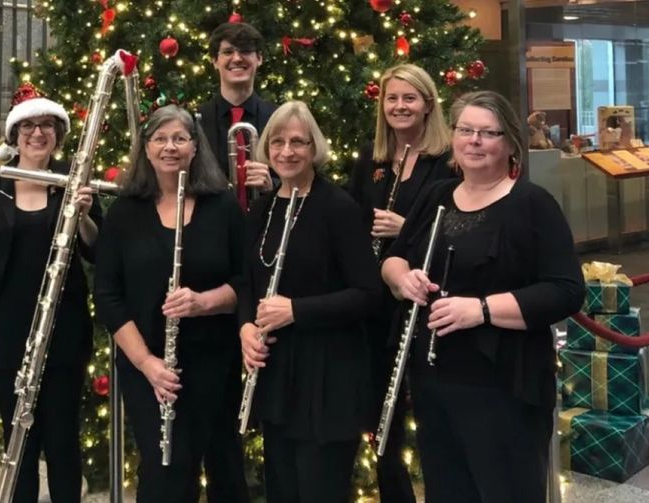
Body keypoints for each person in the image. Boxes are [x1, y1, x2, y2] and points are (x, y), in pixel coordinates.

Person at [381, 90, 584, 503]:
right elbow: (393, 257)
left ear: (509, 143)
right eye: (465, 130)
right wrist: (403, 280)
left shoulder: (531, 203)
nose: (473, 140)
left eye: (487, 133)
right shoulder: (435, 195)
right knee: (447, 490)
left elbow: (565, 291)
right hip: (434, 382)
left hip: (503, 386)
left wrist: (482, 310)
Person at [94, 105, 249, 503]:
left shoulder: (223, 206)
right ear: (146, 150)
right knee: (165, 473)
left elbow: (246, 282)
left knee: (225, 466)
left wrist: (204, 302)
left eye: (180, 138)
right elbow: (108, 295)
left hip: (214, 363)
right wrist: (147, 364)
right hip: (147, 366)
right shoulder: (125, 213)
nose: (170, 147)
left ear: (196, 148)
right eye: (160, 139)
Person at [0, 84, 100, 502]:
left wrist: (87, 215)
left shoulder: (73, 181)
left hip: (63, 331)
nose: (37, 133)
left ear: (58, 134)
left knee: (62, 442)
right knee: (18, 441)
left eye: (46, 126)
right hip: (6, 331)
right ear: (14, 134)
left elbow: (98, 251)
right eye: (28, 126)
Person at [239, 101, 379, 503]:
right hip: (279, 374)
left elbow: (368, 294)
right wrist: (246, 326)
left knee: (320, 489)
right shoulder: (265, 208)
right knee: (282, 489)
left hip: (328, 376)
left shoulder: (338, 208)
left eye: (298, 142)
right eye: (278, 142)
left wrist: (297, 310)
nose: (287, 152)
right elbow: (247, 280)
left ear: (314, 148)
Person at [346, 63, 454, 503]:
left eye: (409, 98)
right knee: (379, 413)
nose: (399, 106)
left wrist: (404, 227)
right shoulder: (370, 161)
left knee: (431, 409)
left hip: (424, 300)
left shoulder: (446, 162)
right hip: (374, 303)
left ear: (428, 104)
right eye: (391, 98)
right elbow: (350, 220)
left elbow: (460, 227)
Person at [198, 21, 276, 209]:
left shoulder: (278, 118)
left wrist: (273, 185)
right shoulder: (196, 121)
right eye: (228, 52)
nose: (237, 58)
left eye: (246, 51)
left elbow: (302, 179)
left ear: (259, 59)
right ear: (215, 61)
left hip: (266, 225)